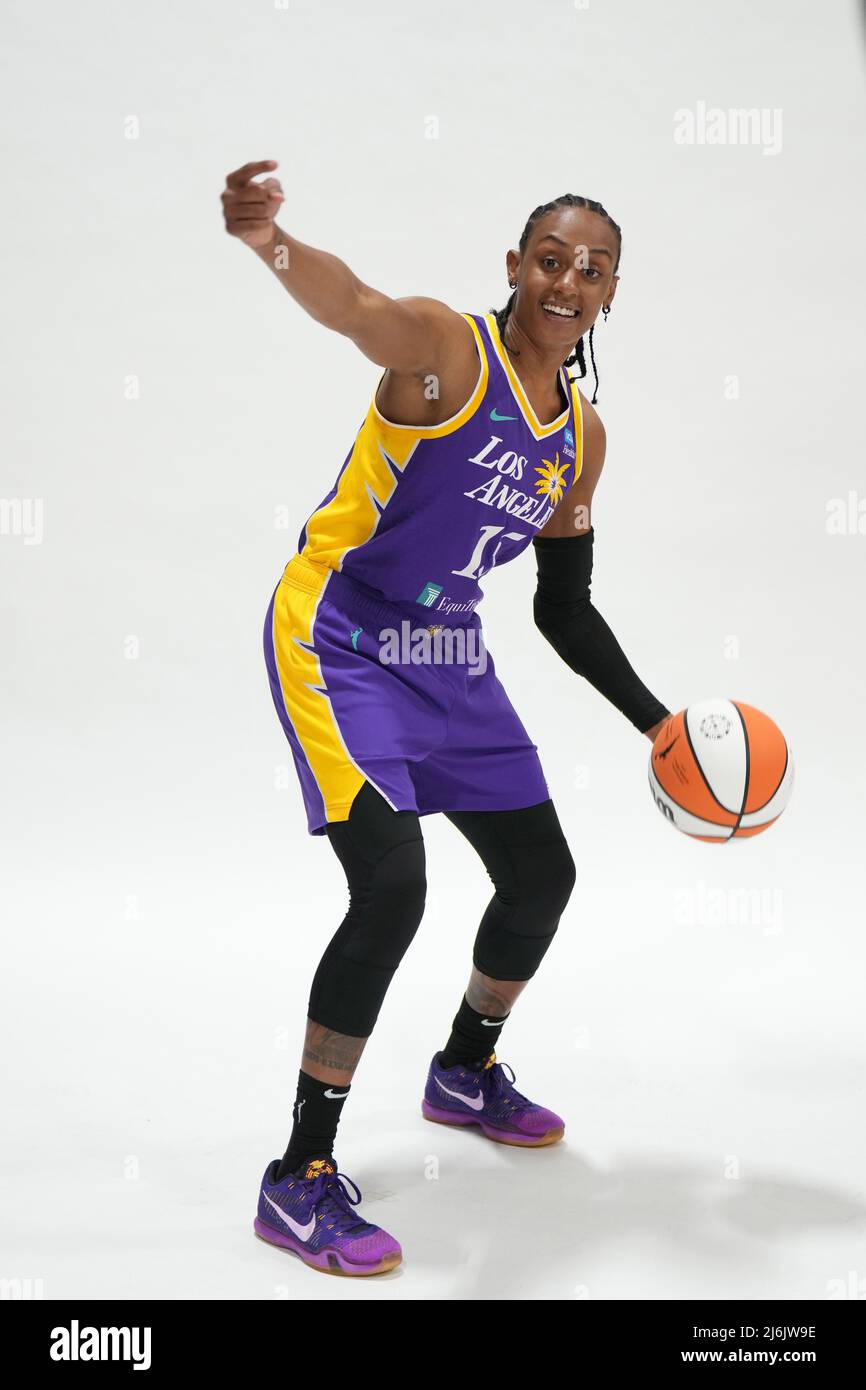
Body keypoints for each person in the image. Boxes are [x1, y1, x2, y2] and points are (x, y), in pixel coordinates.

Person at [220, 161, 671, 1277]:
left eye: (594, 268)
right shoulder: (447, 353)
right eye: (551, 258)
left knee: (541, 875)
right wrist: (271, 241)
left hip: (447, 654)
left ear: (611, 294)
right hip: (339, 634)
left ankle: (463, 1071)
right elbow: (354, 306)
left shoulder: (580, 440)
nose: (569, 278)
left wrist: (656, 722)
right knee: (393, 886)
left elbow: (562, 611)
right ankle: (299, 1175)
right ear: (515, 266)